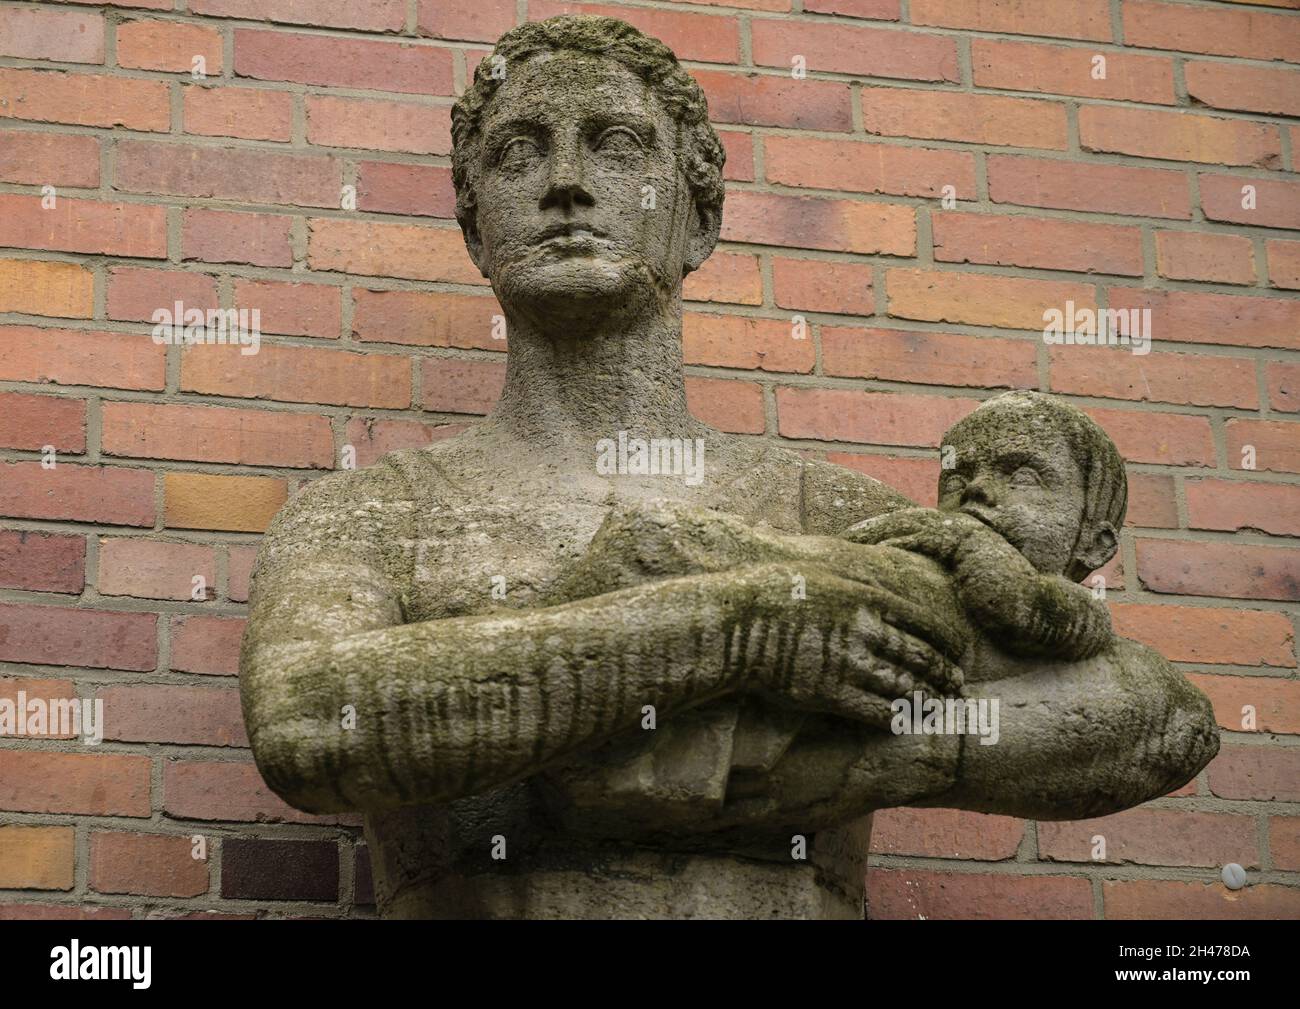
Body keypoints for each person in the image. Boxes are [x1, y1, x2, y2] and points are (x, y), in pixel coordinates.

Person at [239, 16, 1217, 918]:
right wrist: (743, 633)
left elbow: (1158, 716)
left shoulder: (826, 509)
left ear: (697, 216)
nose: (564, 182)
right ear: (473, 228)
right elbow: (309, 721)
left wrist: (866, 756)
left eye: (615, 145)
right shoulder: (373, 514)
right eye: (518, 151)